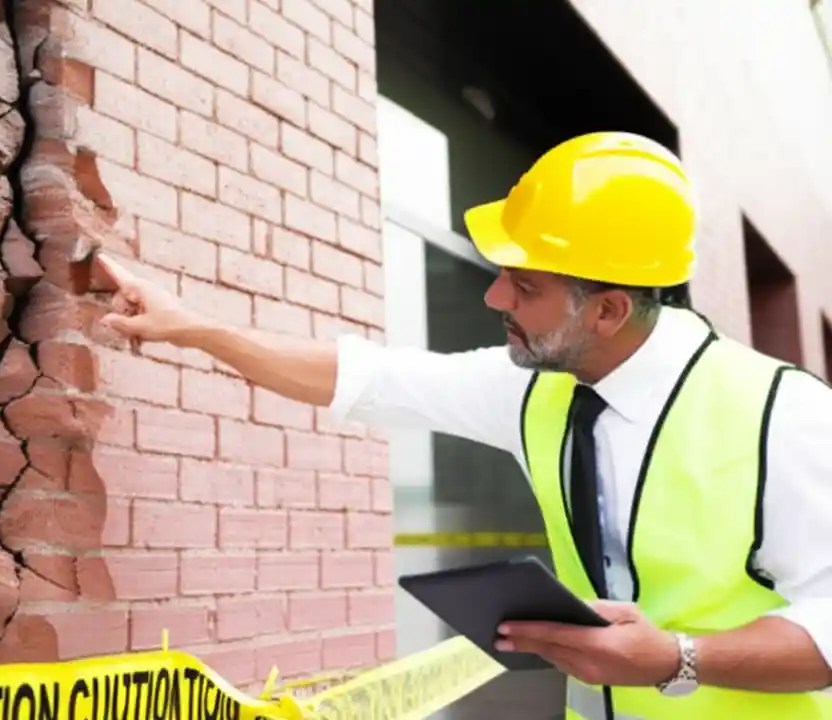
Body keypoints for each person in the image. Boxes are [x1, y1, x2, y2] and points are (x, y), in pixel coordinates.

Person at [93, 131, 832, 719]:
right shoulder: (534, 388)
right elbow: (365, 378)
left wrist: (677, 656)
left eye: (525, 285)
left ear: (606, 309)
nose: (492, 295)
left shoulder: (785, 415)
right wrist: (193, 330)